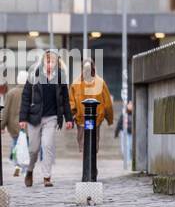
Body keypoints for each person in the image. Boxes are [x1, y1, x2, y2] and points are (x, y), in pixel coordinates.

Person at [18, 51, 73, 188]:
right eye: (48, 62)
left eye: (52, 62)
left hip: (52, 117)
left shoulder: (60, 77)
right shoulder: (34, 75)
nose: (50, 65)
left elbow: (65, 99)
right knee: (34, 149)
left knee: (48, 146)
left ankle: (46, 177)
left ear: (56, 63)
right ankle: (30, 171)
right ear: (43, 62)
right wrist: (23, 118)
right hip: (34, 117)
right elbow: (25, 96)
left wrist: (69, 118)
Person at [69, 59, 114, 163]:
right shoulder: (76, 84)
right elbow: (71, 103)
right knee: (87, 145)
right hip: (82, 120)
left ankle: (90, 169)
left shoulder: (100, 83)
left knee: (90, 145)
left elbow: (107, 103)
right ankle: (89, 169)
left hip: (94, 119)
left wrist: (109, 118)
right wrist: (71, 117)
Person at [4, 70, 26, 176]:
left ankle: (15, 162)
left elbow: (6, 110)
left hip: (13, 124)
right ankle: (23, 166)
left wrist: (2, 125)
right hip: (26, 123)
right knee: (25, 145)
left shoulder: (11, 93)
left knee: (15, 142)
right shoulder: (30, 92)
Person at [115, 98, 134, 166]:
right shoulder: (124, 114)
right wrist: (116, 133)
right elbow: (119, 123)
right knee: (126, 146)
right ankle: (128, 160)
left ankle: (130, 159)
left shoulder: (134, 114)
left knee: (131, 147)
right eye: (130, 104)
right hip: (125, 132)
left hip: (132, 133)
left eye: (132, 104)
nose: (131, 105)